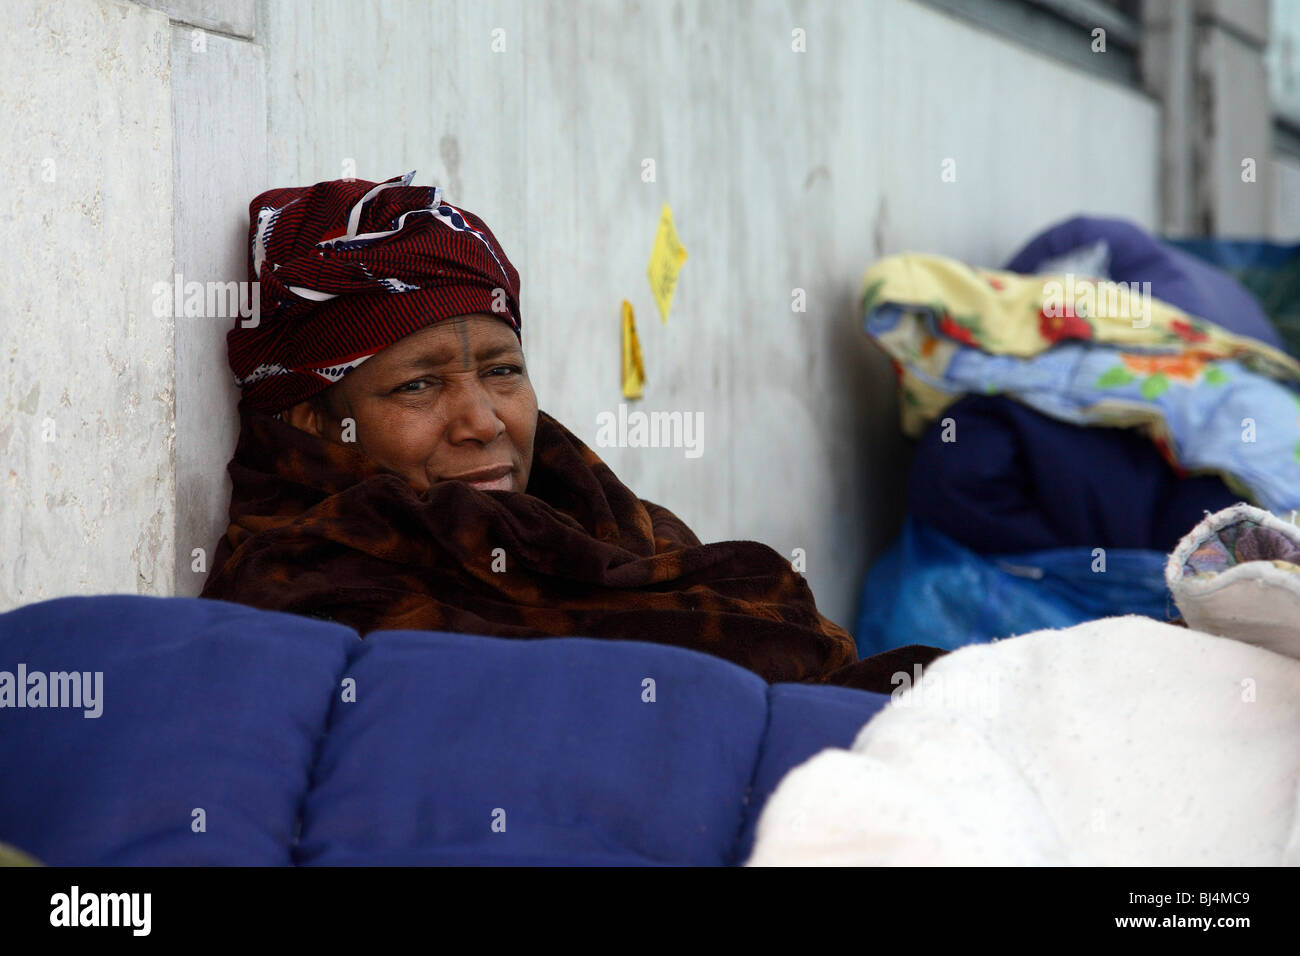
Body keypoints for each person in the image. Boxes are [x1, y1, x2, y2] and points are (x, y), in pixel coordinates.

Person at [200, 172, 942, 690]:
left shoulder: (610, 527)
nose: (484, 421)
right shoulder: (303, 598)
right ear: (313, 423)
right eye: (417, 386)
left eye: (502, 371)